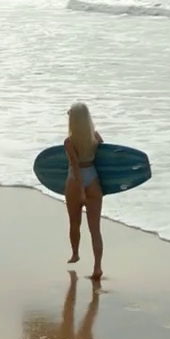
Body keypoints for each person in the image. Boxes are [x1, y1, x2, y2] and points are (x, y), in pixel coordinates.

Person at [63, 103, 105, 279]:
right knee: (95, 229)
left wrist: (80, 190)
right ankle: (97, 267)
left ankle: (75, 253)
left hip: (75, 182)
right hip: (94, 181)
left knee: (75, 223)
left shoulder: (69, 142)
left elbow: (75, 166)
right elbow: (105, 154)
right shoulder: (94, 137)